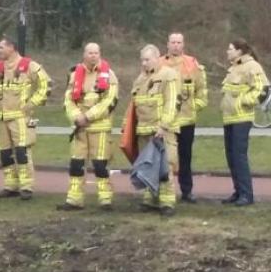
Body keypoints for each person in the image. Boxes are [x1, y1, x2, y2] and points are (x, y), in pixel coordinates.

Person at [0, 37, 50, 200]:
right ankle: (10, 185)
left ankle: (26, 186)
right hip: (2, 118)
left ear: (11, 48)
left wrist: (32, 103)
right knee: (5, 153)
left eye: (1, 47)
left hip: (21, 118)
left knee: (22, 152)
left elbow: (46, 84)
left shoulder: (29, 65)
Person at [62, 42, 119, 210]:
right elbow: (68, 100)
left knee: (100, 166)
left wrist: (88, 116)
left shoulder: (109, 75)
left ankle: (105, 199)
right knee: (76, 164)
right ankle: (74, 199)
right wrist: (76, 116)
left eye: (96, 53)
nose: (93, 56)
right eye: (90, 53)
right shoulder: (74, 75)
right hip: (80, 129)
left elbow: (110, 101)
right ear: (84, 54)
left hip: (99, 128)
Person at [128, 44, 182, 216]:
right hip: (144, 130)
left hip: (162, 130)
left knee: (165, 166)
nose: (144, 63)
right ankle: (150, 198)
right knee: (148, 166)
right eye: (142, 60)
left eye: (147, 59)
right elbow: (133, 106)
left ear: (157, 58)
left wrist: (164, 125)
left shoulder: (168, 75)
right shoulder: (140, 79)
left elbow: (172, 102)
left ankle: (167, 202)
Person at [220, 39, 268, 206]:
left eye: (230, 49)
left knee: (239, 156)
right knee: (231, 156)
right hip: (229, 118)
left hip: (242, 118)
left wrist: (245, 101)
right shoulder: (234, 67)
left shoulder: (252, 66)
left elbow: (263, 88)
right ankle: (238, 191)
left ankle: (247, 195)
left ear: (239, 51)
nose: (227, 51)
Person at [163, 33, 208, 202]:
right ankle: (164, 190)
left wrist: (195, 106)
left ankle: (187, 191)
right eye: (173, 42)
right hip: (166, 122)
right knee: (166, 158)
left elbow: (201, 90)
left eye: (178, 42)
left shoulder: (191, 63)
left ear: (183, 44)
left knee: (185, 156)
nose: (175, 45)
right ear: (167, 44)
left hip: (187, 119)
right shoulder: (160, 63)